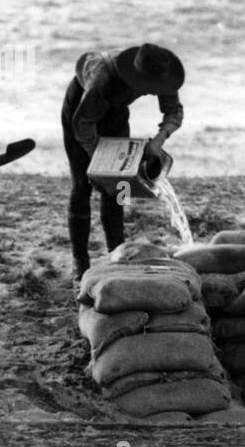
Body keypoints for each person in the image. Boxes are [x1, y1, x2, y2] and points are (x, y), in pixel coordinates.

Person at [62, 43, 184, 280]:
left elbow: (173, 112)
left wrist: (158, 140)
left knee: (120, 185)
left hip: (116, 113)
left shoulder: (161, 69)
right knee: (82, 184)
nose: (151, 92)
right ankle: (80, 261)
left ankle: (116, 250)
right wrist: (98, 164)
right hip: (81, 111)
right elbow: (83, 125)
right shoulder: (103, 77)